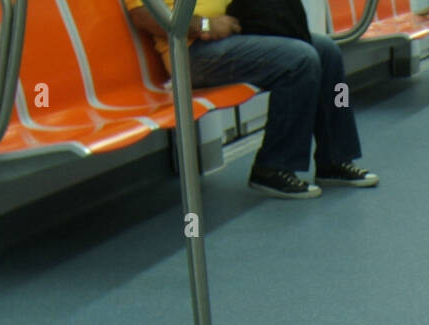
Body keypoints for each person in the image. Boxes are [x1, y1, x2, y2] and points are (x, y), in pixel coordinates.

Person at [124, 0, 378, 200]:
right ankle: (272, 166)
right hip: (191, 52)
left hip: (231, 35)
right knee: (300, 59)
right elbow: (144, 16)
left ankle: (335, 159)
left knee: (328, 52)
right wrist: (204, 26)